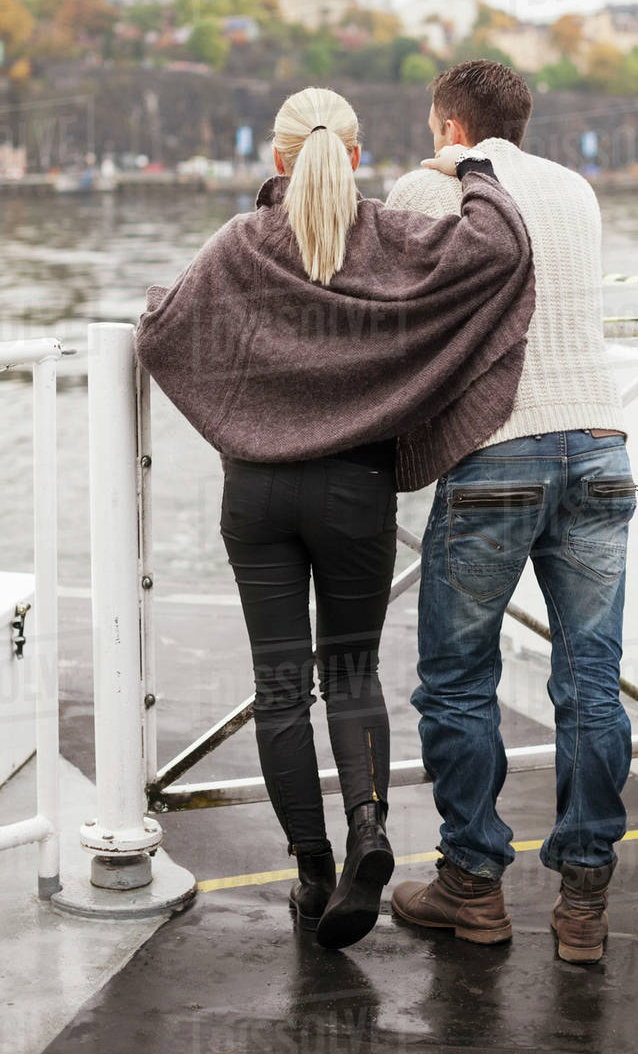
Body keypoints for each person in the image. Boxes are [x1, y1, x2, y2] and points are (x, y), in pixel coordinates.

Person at [134, 86, 536, 950]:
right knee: (352, 674)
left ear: (278, 159)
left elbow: (159, 328)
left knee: (282, 686)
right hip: (354, 492)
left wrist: (235, 410)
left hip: (258, 494)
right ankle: (370, 834)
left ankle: (312, 873)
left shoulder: (241, 243)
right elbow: (502, 248)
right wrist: (468, 169)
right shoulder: (392, 236)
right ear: (354, 157)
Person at [386, 61, 637, 963]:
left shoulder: (437, 182)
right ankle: (582, 906)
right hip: (602, 448)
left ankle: (472, 886)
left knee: (457, 680)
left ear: (450, 125)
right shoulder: (576, 189)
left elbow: (380, 287)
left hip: (499, 451)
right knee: (591, 683)